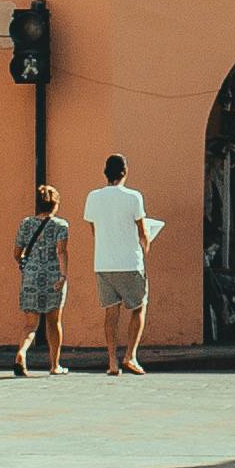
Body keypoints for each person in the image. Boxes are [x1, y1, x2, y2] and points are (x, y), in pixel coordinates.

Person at [86, 147, 158, 373]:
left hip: (103, 263)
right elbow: (143, 231)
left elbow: (94, 230)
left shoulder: (93, 197)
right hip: (129, 262)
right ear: (125, 172)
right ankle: (131, 355)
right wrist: (144, 250)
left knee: (110, 313)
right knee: (139, 307)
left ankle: (111, 361)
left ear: (105, 173)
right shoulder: (134, 197)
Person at [13, 179, 68, 375]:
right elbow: (61, 252)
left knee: (30, 324)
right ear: (55, 204)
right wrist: (63, 276)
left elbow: (17, 252)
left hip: (31, 276)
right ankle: (55, 365)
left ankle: (22, 352)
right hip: (53, 276)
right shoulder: (61, 225)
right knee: (54, 323)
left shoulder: (26, 224)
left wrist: (26, 265)